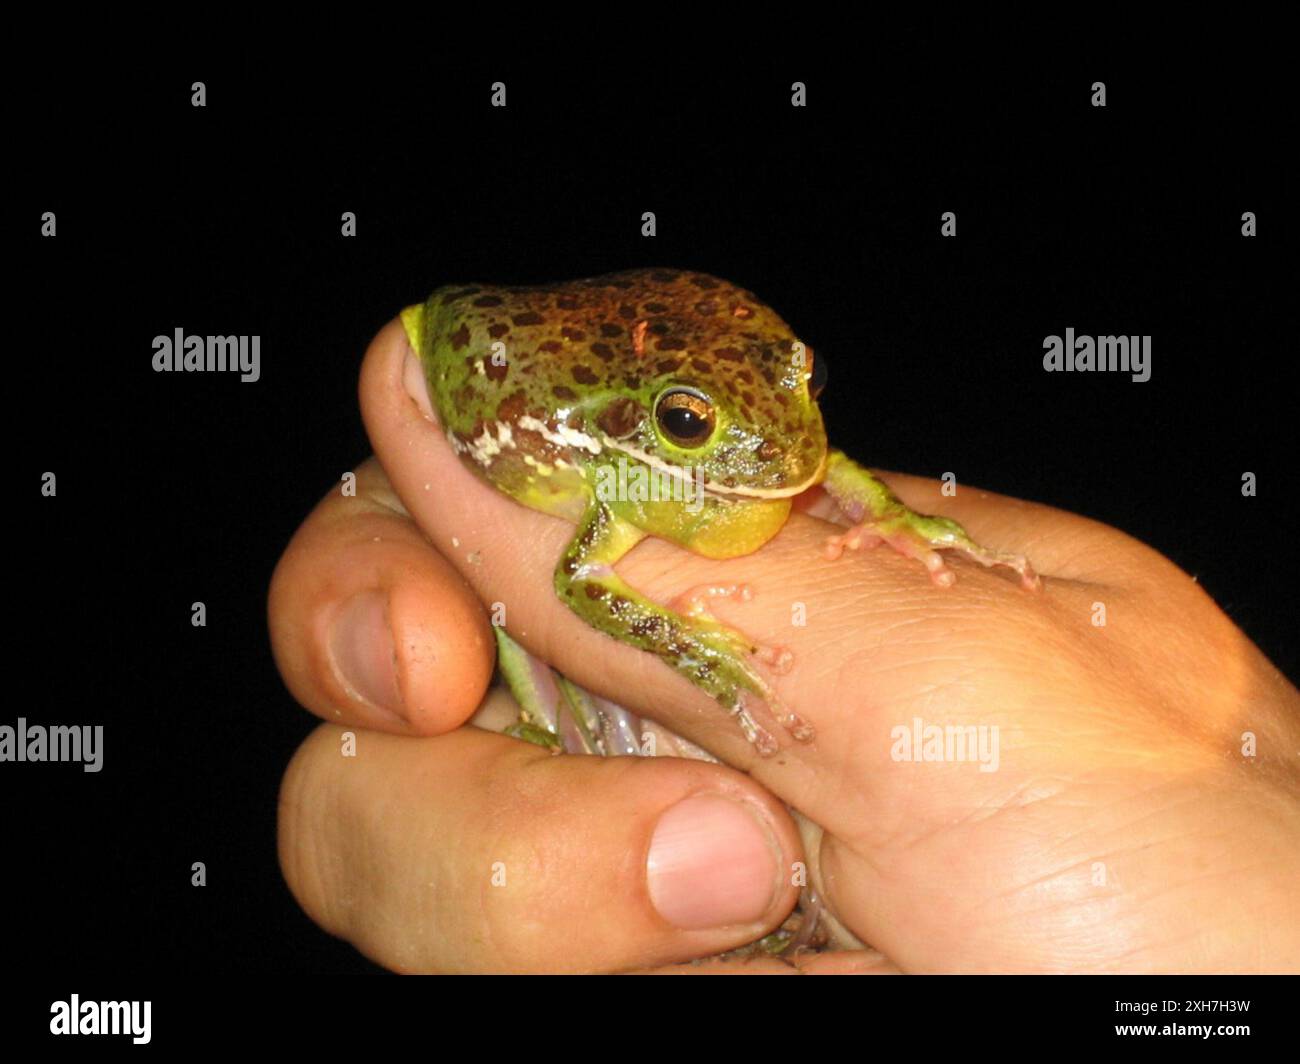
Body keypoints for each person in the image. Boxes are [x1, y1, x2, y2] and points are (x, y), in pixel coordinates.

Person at [269, 319, 1300, 973]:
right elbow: (578, 578)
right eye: (688, 422)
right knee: (537, 703)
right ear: (642, 428)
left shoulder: (776, 438)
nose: (785, 441)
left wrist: (907, 520)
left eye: (798, 380)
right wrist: (703, 651)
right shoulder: (608, 474)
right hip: (566, 437)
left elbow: (823, 467)